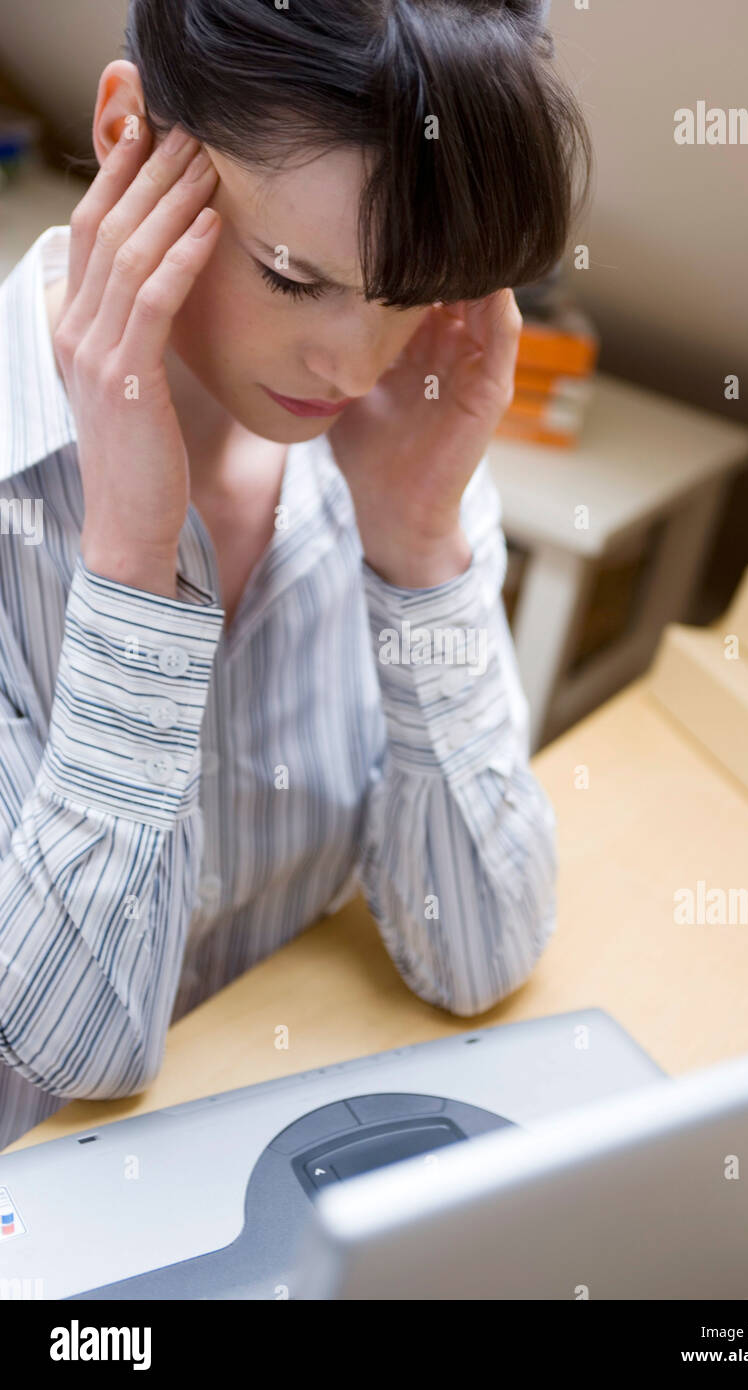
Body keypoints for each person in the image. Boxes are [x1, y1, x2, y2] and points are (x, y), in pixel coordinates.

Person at [0, 0, 592, 1152]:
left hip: (275, 1159)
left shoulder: (388, 443)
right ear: (126, 135)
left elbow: (478, 951)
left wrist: (418, 548)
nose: (356, 363)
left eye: (408, 293)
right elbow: (72, 1047)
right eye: (290, 275)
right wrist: (131, 560)